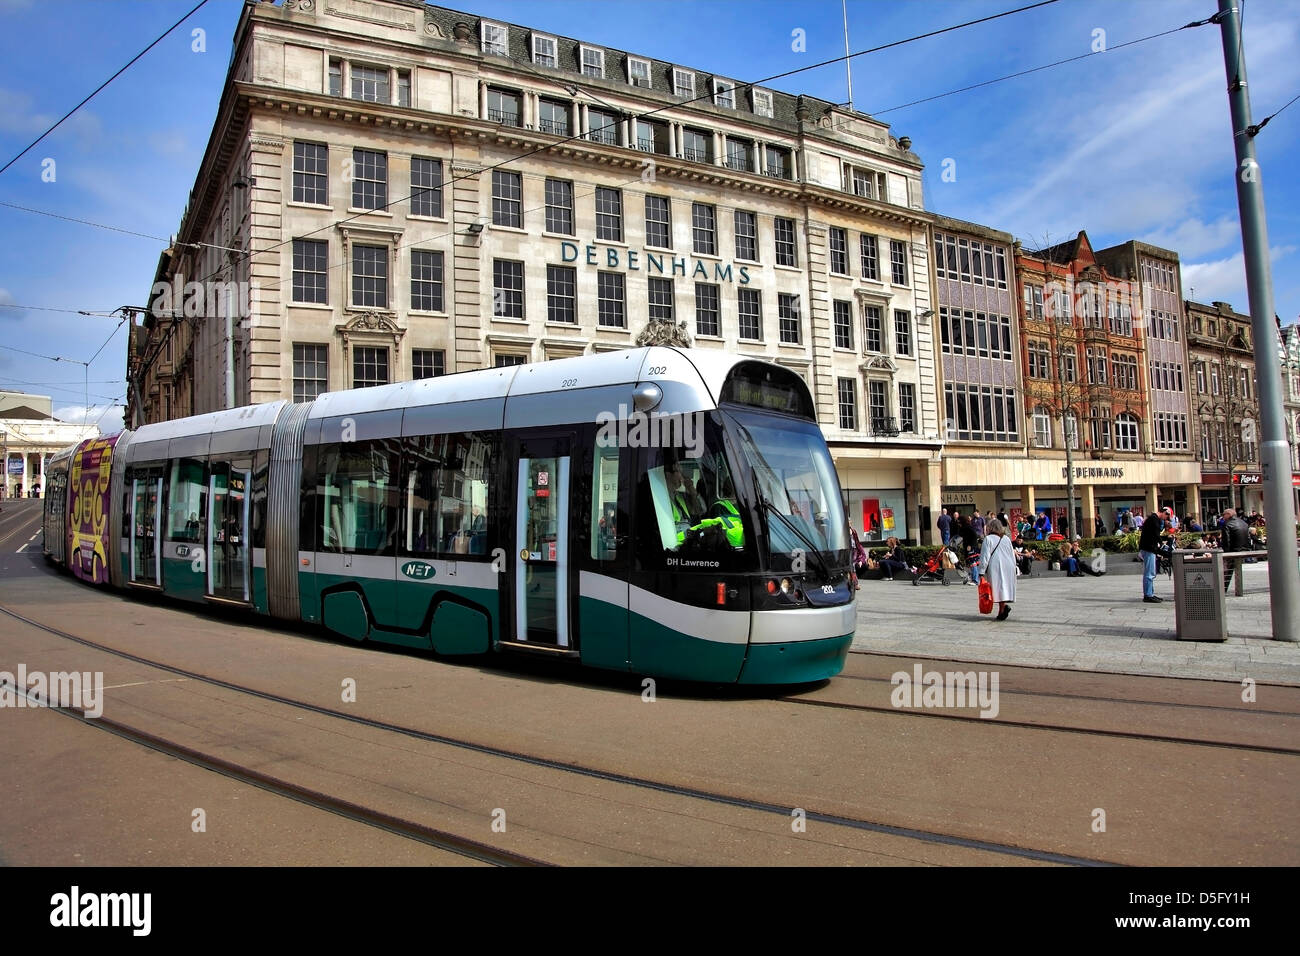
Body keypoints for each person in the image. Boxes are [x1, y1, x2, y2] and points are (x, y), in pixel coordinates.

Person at [979, 518, 1017, 620]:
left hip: (996, 565)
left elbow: (984, 557)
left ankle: (1002, 608)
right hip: (1008, 564)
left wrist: (981, 572)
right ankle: (1001, 609)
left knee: (996, 588)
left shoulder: (988, 539)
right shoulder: (1006, 538)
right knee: (1003, 587)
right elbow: (1012, 553)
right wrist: (1014, 566)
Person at [1220, 507, 1252, 593]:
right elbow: (1248, 538)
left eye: (1224, 514)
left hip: (1233, 550)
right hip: (1244, 549)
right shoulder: (1244, 523)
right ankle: (1237, 589)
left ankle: (1223, 589)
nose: (1222, 516)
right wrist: (1248, 549)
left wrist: (1226, 553)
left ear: (1229, 515)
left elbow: (1226, 540)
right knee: (1235, 568)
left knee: (1226, 571)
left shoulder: (1226, 524)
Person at [1138, 509, 1167, 603]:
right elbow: (1155, 534)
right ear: (1164, 513)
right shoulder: (1154, 519)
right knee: (1150, 573)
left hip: (1148, 548)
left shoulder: (1152, 519)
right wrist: (1161, 544)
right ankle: (1148, 595)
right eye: (1167, 516)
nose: (1166, 519)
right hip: (1149, 549)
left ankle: (1150, 593)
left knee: (1150, 572)